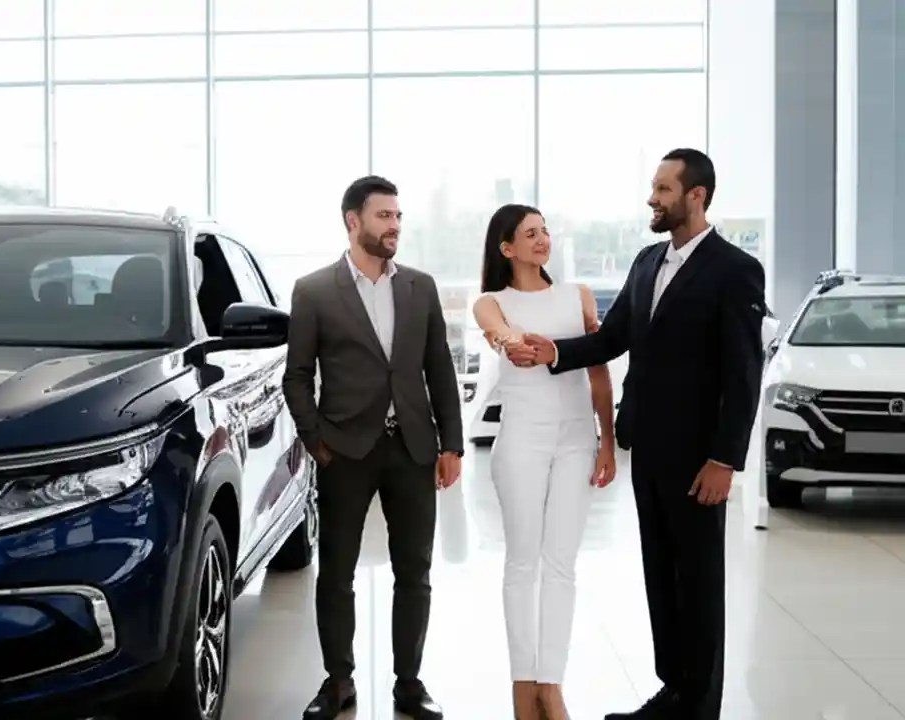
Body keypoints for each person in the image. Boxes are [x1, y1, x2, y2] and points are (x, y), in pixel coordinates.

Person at [507, 148, 766, 720]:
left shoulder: (734, 270)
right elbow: (613, 337)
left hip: (700, 460)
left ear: (696, 195)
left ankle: (699, 705)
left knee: (698, 583)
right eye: (653, 187)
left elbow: (744, 374)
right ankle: (673, 690)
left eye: (663, 189)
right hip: (647, 450)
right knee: (662, 579)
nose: (653, 198)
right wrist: (555, 353)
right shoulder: (648, 261)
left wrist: (724, 459)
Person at [282, 175, 463, 720]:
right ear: (352, 221)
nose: (395, 227)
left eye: (399, 217)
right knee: (336, 574)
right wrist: (315, 439)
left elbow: (439, 368)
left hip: (412, 447)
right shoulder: (313, 290)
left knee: (416, 571)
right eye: (385, 216)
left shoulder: (420, 287)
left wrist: (451, 443)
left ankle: (409, 683)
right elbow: (297, 375)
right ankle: (338, 682)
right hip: (345, 450)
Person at [470, 204, 617, 720]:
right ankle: (522, 683)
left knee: (561, 565)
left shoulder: (575, 296)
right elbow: (496, 331)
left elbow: (597, 366)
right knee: (522, 563)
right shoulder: (491, 301)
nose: (542, 239)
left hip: (577, 438)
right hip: (522, 443)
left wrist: (606, 439)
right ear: (506, 248)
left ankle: (551, 684)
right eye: (530, 234)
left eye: (545, 230)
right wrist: (514, 342)